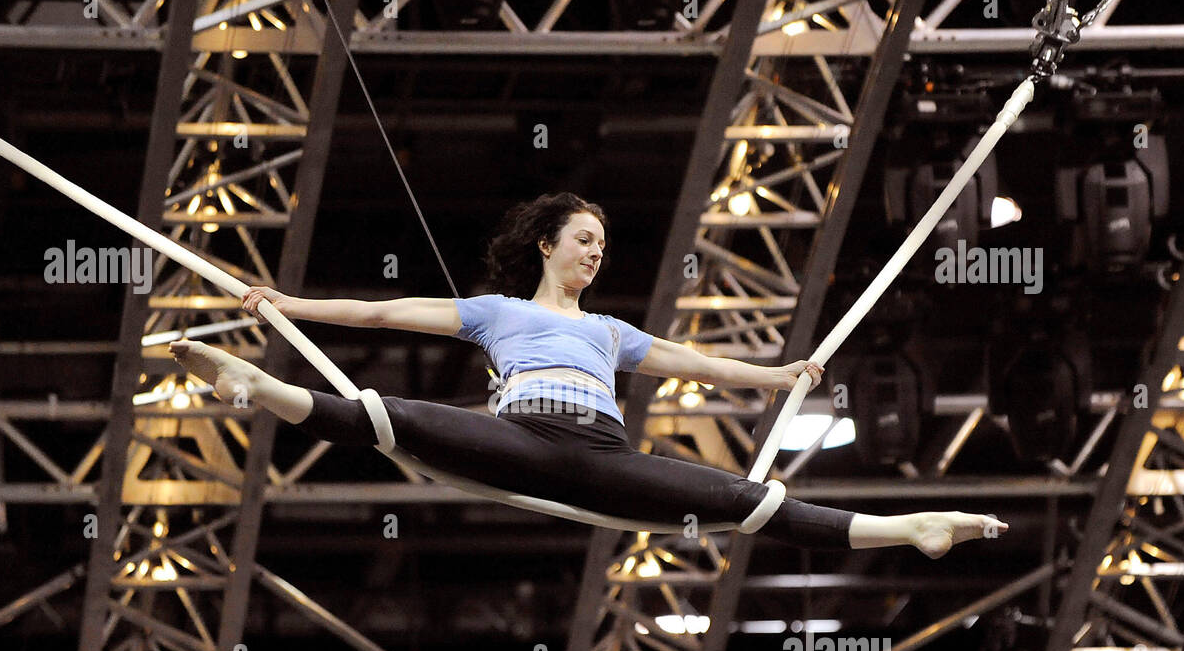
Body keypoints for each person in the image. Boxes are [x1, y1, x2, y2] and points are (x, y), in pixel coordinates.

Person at [169, 192, 1007, 556]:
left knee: (742, 502)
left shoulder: (608, 328)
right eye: (583, 241)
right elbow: (389, 313)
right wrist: (292, 306)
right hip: (521, 440)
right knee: (392, 413)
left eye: (603, 247)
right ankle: (260, 386)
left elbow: (690, 362)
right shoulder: (500, 311)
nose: (595, 253)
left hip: (603, 456)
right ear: (547, 245)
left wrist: (774, 375)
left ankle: (914, 529)